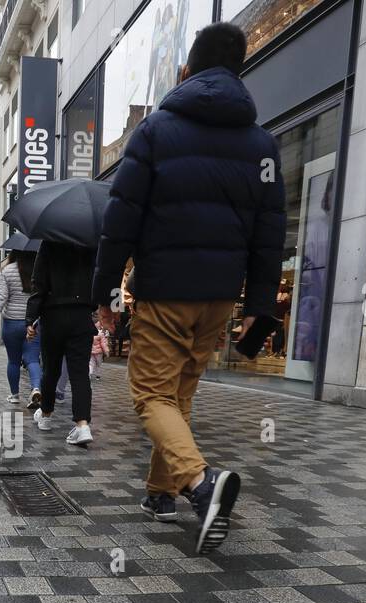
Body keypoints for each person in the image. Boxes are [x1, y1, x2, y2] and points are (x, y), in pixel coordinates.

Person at [93, 22, 285, 555]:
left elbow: (121, 218)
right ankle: (160, 493)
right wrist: (261, 304)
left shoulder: (155, 132)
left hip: (164, 289)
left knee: (151, 394)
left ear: (186, 72)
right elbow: (271, 231)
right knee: (178, 394)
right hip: (220, 296)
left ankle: (201, 487)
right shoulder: (262, 145)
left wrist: (107, 291)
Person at [27, 240, 97, 447]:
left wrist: (30, 319)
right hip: (82, 316)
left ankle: (46, 415)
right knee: (80, 373)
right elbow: (98, 278)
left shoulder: (50, 242)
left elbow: (38, 282)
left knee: (51, 369)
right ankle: (82, 425)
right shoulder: (91, 245)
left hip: (54, 316)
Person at [0, 250, 42, 408]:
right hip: (33, 323)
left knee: (13, 361)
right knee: (32, 359)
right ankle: (36, 388)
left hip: (11, 323)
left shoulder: (8, 270)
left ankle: (15, 395)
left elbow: (1, 297)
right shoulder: (39, 269)